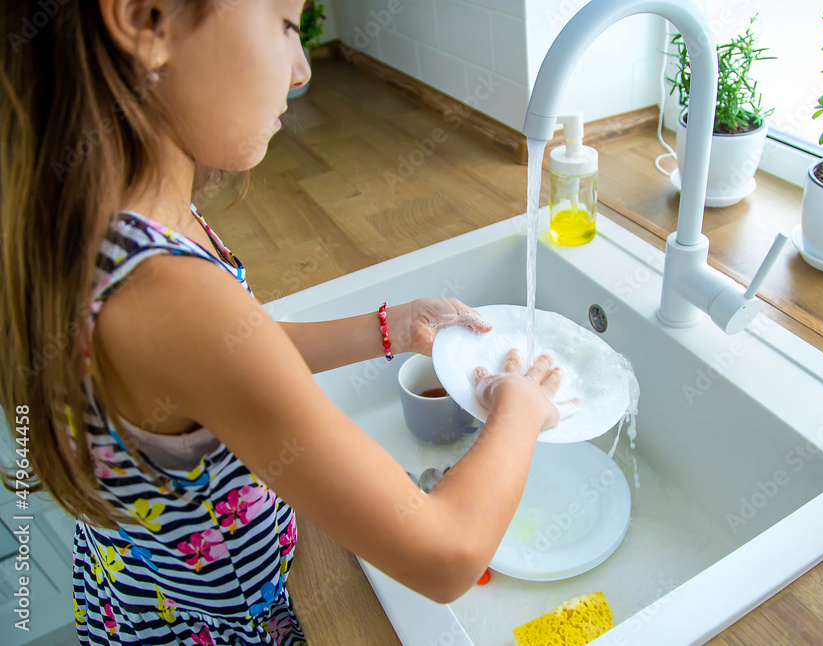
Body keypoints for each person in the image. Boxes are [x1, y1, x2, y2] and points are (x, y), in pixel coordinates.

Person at [0, 2, 571, 644]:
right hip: (224, 624)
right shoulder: (166, 294)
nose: (301, 71)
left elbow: (238, 363)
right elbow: (447, 555)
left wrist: (389, 328)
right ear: (146, 17)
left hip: (135, 589)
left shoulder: (117, 221)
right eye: (284, 24)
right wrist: (519, 408)